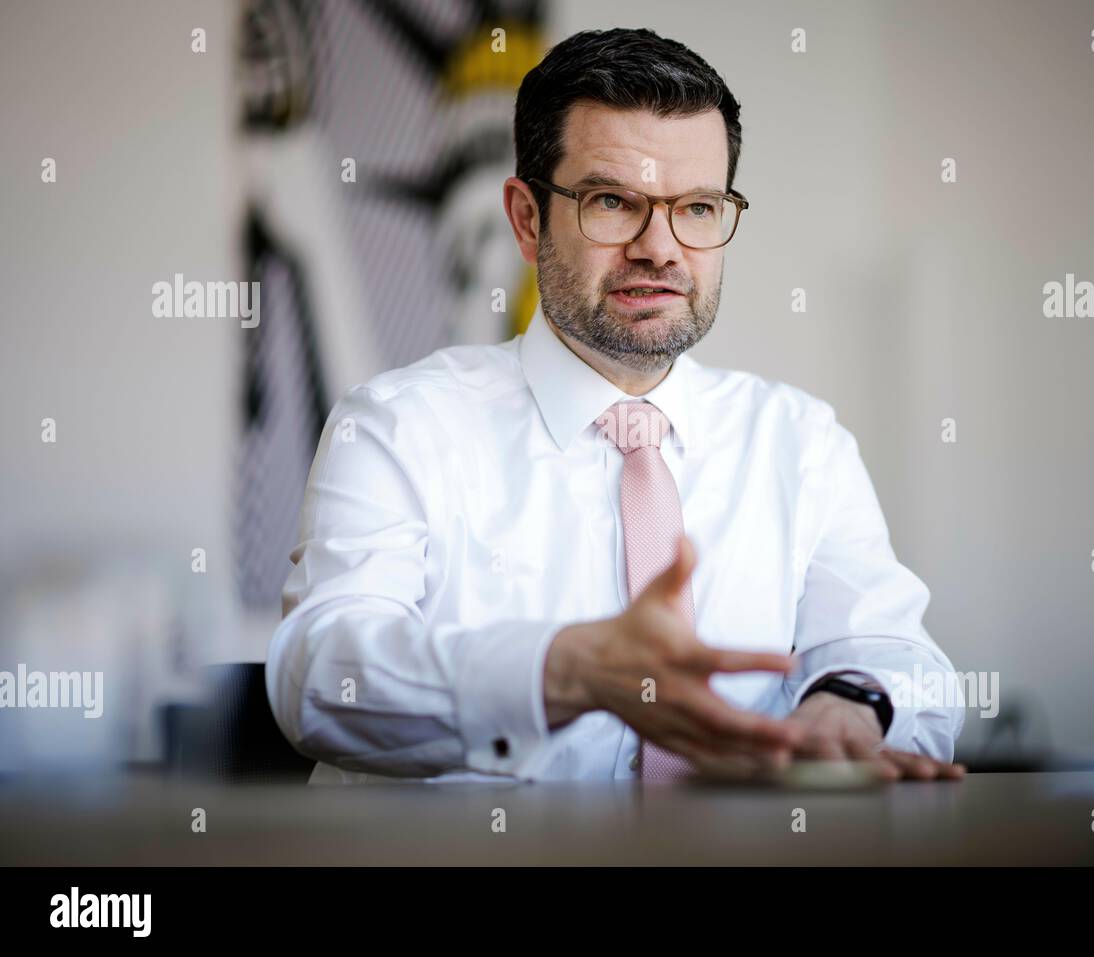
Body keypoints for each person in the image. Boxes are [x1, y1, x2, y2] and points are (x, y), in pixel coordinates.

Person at [266, 27, 966, 784]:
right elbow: (318, 676)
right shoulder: (399, 427)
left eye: (697, 208)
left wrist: (848, 707)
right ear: (528, 219)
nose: (659, 247)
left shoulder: (801, 441)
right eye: (612, 201)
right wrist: (560, 672)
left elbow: (899, 655)